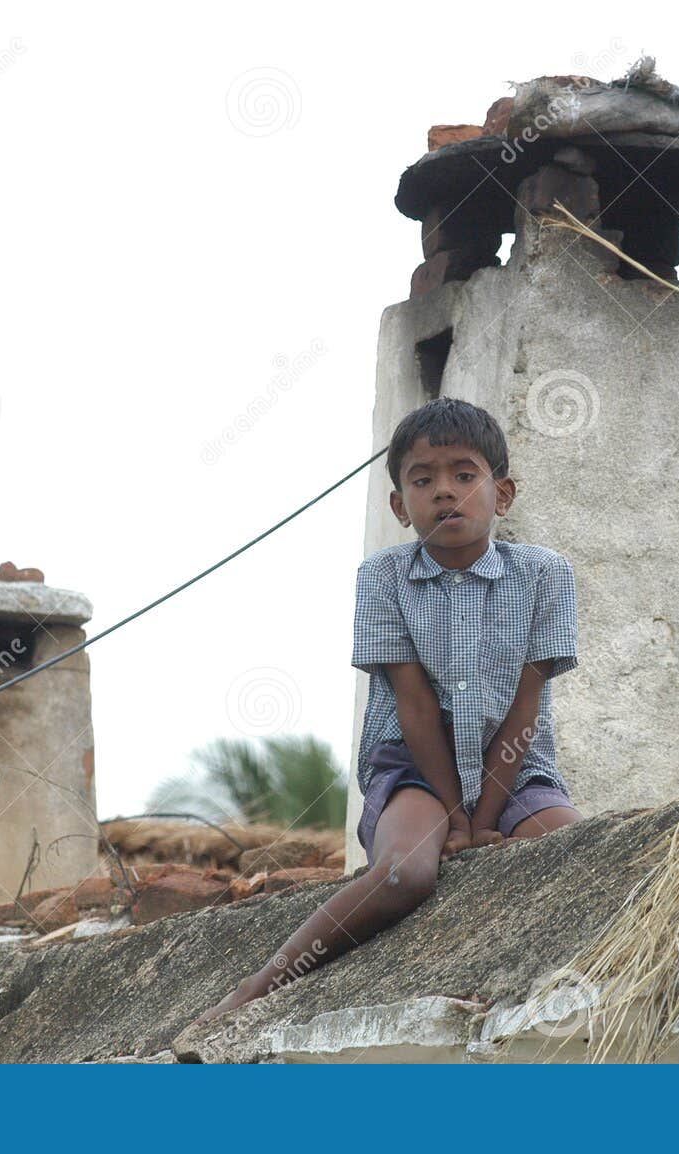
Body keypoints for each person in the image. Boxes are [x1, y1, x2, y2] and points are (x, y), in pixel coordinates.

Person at [195, 397, 582, 1023]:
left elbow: (527, 704)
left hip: (516, 771)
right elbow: (415, 706)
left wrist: (485, 818)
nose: (444, 491)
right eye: (423, 480)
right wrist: (455, 821)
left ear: (503, 494)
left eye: (465, 475)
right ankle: (258, 986)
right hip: (412, 768)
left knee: (578, 848)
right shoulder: (382, 578)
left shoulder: (545, 574)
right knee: (406, 874)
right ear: (400, 506)